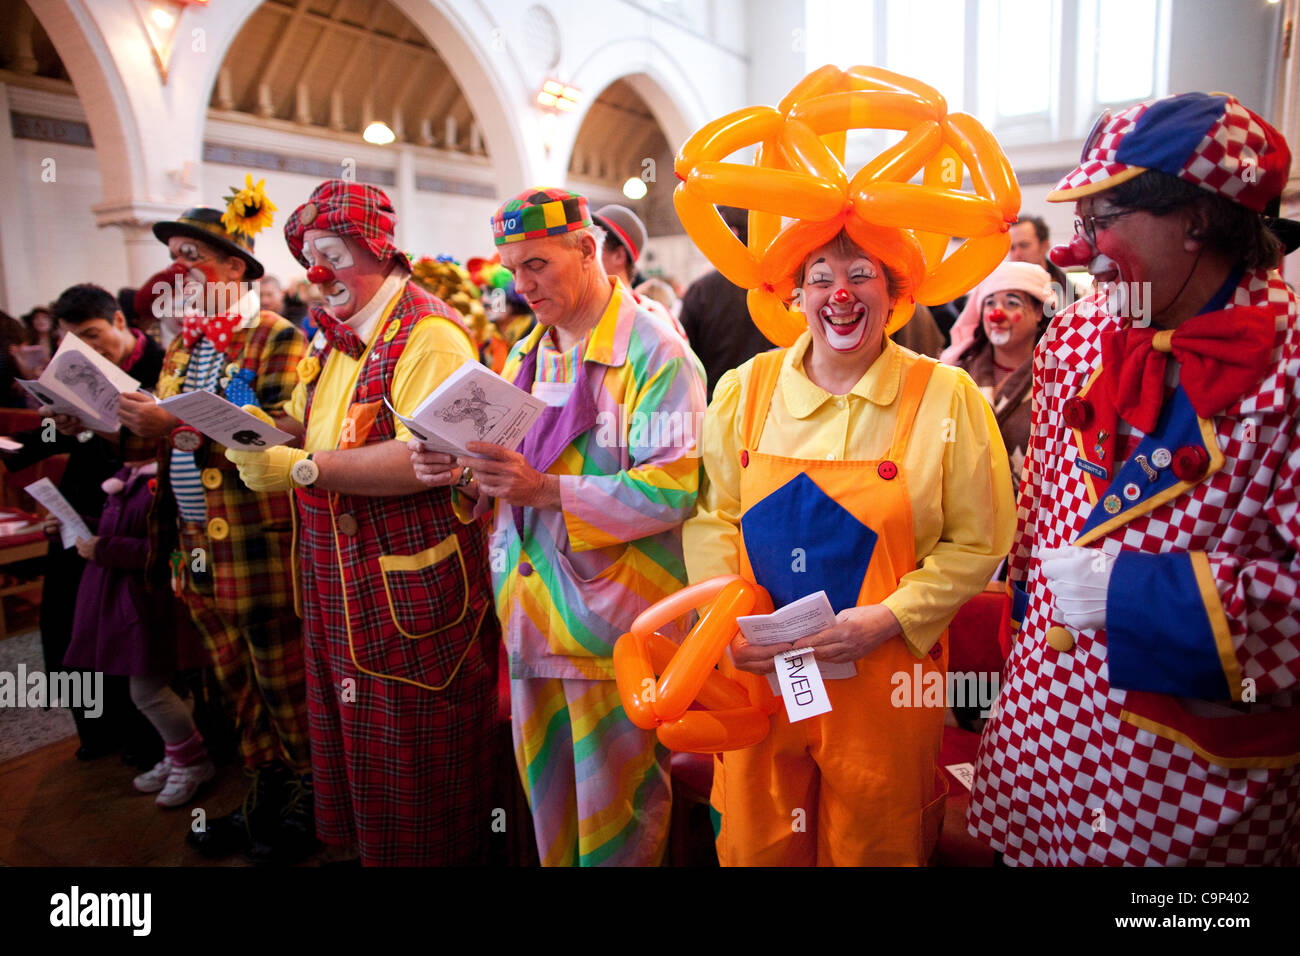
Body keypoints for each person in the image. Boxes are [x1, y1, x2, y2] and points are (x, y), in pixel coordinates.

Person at [968, 91, 1300, 865]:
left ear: (1198, 218)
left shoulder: (1290, 371)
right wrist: (1025, 627)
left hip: (1183, 777)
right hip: (1046, 741)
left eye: (1104, 220)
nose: (1078, 253)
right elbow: (1043, 502)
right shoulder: (1080, 333)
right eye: (1080, 224)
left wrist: (1135, 597)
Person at [410, 187, 707, 866]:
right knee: (550, 815)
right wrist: (457, 468)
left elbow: (674, 489)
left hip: (616, 631)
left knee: (620, 820)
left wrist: (545, 490)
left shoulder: (656, 354)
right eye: (513, 269)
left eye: (537, 264)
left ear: (587, 248)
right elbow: (510, 471)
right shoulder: (526, 353)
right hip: (531, 615)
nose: (522, 285)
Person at [227, 179, 503, 866]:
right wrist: (259, 428)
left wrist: (302, 468)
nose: (317, 274)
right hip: (340, 592)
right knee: (364, 759)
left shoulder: (428, 333)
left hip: (407, 599)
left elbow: (426, 458)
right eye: (310, 257)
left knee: (418, 772)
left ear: (379, 253)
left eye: (334, 255)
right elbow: (308, 417)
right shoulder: (337, 337)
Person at [117, 187, 315, 864]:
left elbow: (289, 431)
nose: (180, 271)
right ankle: (265, 791)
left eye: (193, 257)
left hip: (256, 540)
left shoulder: (277, 337)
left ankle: (313, 806)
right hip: (194, 545)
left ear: (237, 268)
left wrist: (175, 424)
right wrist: (139, 425)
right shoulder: (179, 349)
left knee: (282, 681)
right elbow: (167, 441)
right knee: (235, 682)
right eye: (174, 258)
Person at [5, 284, 167, 762]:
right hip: (80, 497)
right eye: (73, 339)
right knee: (64, 618)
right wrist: (59, 424)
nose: (87, 349)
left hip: (137, 505)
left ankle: (146, 740)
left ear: (120, 321)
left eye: (94, 335)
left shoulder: (160, 363)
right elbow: (58, 433)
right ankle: (96, 732)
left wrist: (102, 427)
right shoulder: (72, 369)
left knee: (125, 623)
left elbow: (163, 441)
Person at [62, 455, 212, 806]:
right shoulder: (127, 475)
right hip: (130, 596)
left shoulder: (168, 477)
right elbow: (121, 528)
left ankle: (193, 761)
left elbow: (177, 552)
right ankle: (179, 755)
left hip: (154, 600)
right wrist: (79, 525)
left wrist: (106, 548)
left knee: (147, 691)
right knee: (168, 685)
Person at [940, 261, 1056, 485]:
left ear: (1039, 312)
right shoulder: (956, 372)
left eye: (1011, 303)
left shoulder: (1055, 379)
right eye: (989, 303)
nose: (996, 314)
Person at [678, 206, 773, 401]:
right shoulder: (783, 287)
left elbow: (684, 360)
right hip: (771, 404)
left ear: (732, 234)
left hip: (716, 405)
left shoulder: (701, 291)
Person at [592, 203, 687, 337]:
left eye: (595, 245)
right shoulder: (581, 317)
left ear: (619, 256)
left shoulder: (653, 317)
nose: (584, 253)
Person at [1008, 214, 1069, 292]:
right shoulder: (998, 291)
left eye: (1024, 245)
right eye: (1012, 248)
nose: (1017, 254)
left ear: (1044, 246)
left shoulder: (1069, 292)